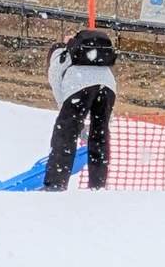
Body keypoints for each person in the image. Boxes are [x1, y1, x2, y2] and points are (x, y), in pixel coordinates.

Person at [43, 29, 117, 191]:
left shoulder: (58, 59)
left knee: (65, 135)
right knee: (100, 136)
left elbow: (61, 97)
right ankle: (98, 184)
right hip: (108, 86)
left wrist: (74, 125)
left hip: (79, 85)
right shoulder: (88, 56)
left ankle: (56, 183)